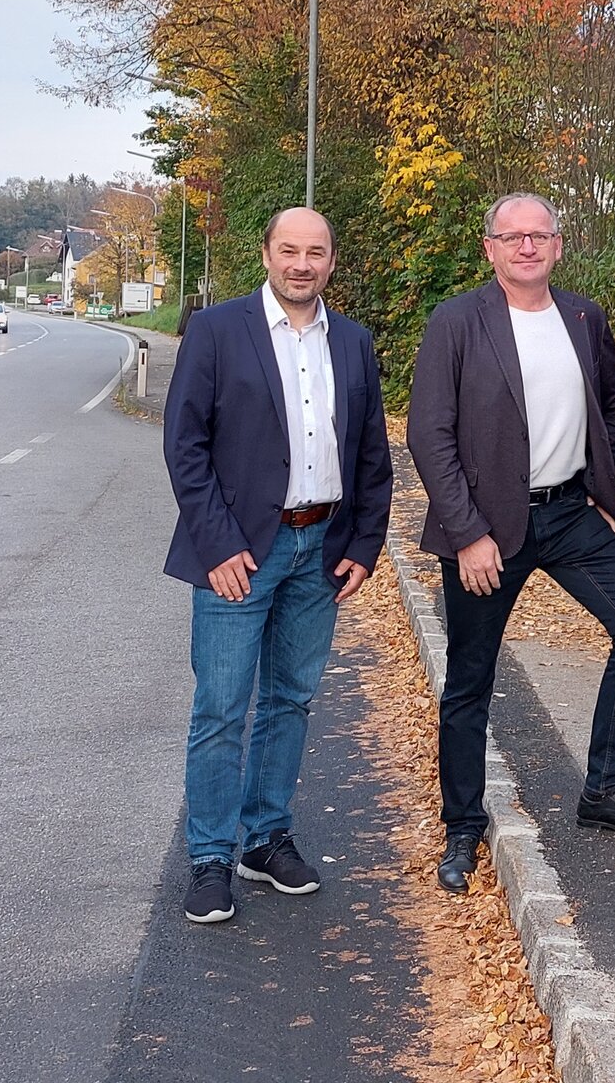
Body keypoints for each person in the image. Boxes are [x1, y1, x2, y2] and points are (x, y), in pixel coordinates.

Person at [409, 193, 615, 894]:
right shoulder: (458, 322)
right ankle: (463, 827)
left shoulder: (583, 317)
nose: (526, 247)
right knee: (470, 679)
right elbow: (428, 434)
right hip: (486, 528)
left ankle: (604, 792)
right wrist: (467, 534)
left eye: (540, 236)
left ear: (558, 246)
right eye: (511, 236)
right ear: (489, 247)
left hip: (569, 515)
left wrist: (599, 476)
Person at [162, 206, 393, 925]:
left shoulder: (352, 342)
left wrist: (362, 547)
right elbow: (185, 446)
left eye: (316, 252)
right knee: (222, 708)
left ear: (331, 260)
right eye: (289, 250)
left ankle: (265, 840)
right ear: (265, 254)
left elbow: (372, 458)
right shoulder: (216, 331)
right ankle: (209, 857)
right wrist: (217, 544)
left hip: (318, 551)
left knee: (290, 701)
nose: (302, 263)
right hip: (239, 551)